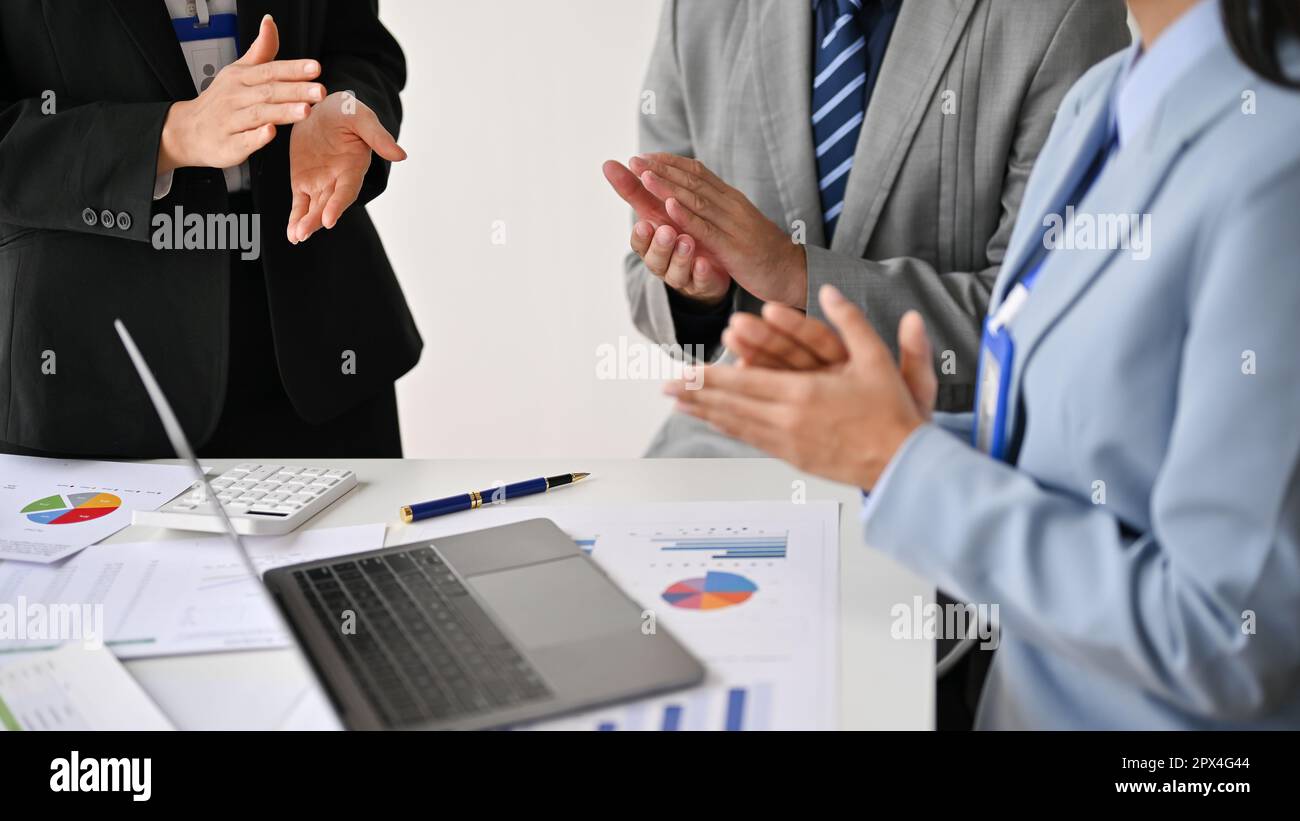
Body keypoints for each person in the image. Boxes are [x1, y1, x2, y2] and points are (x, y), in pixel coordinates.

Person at [666, 0, 1300, 729]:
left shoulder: (1277, 163)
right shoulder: (1102, 100)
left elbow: (1227, 645)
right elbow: (1067, 443)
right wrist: (892, 426)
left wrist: (900, 460)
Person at [604, 0, 1130, 457]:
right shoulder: (696, 11)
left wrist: (798, 274)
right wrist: (698, 294)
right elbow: (643, 278)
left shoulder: (1063, 14)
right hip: (734, 444)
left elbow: (1050, 320)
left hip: (947, 450)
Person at [0, 2, 421, 458]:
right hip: (87, 369)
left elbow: (361, 50)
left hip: (320, 342)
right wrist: (170, 134)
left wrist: (342, 103)